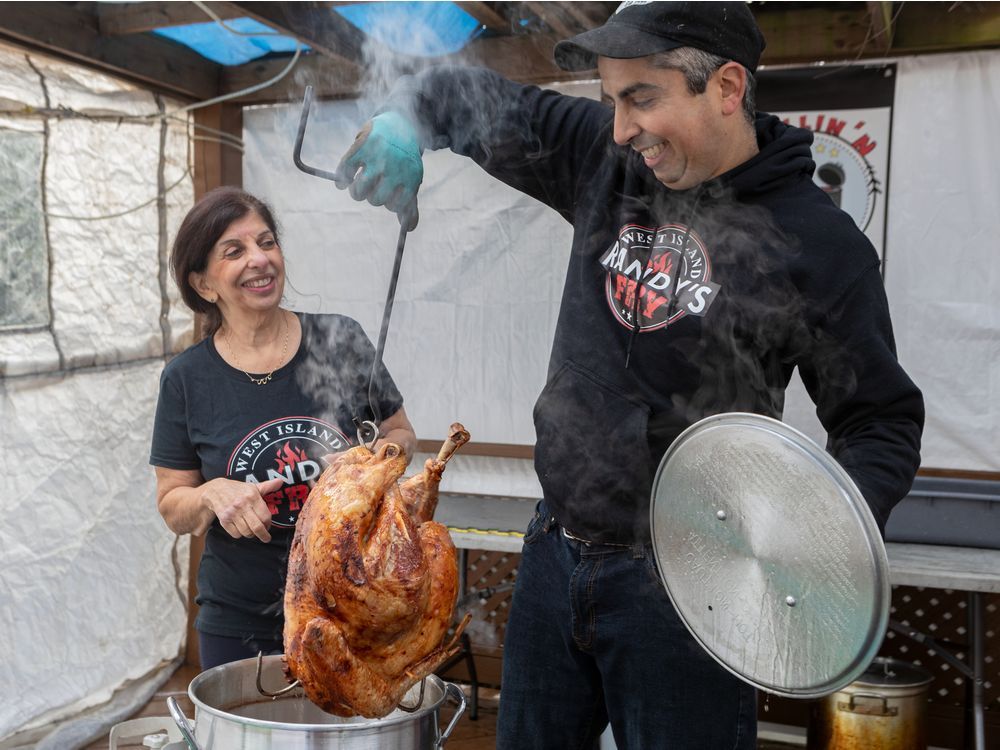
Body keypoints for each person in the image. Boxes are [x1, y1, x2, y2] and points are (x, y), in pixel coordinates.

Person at [334, 3, 924, 747]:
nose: (620, 128)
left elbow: (879, 422)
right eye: (611, 100)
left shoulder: (817, 242)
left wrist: (816, 537)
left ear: (727, 87)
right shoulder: (604, 159)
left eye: (642, 98)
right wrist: (405, 119)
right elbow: (455, 92)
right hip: (555, 550)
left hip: (693, 586)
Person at [150, 187, 416, 670]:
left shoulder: (339, 338)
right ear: (204, 284)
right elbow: (173, 504)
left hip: (353, 605)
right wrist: (211, 493)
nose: (260, 259)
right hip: (242, 619)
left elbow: (401, 435)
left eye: (267, 242)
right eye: (234, 251)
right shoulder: (187, 378)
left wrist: (371, 461)